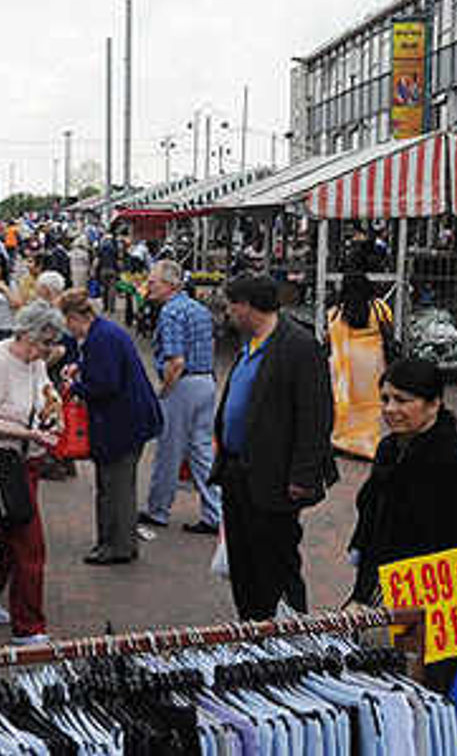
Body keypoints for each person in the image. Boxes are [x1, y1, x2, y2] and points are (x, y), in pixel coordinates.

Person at [346, 358, 457, 692]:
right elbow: (373, 529)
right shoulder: (389, 449)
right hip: (384, 592)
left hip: (430, 605)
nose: (390, 409)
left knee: (419, 698)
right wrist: (361, 593)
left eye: (402, 400)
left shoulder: (451, 462)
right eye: (385, 399)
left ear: (434, 403)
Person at [212, 273, 338, 621]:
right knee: (243, 559)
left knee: (276, 561)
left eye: (231, 306)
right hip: (238, 471)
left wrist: (303, 475)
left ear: (248, 307)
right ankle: (250, 623)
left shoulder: (298, 347)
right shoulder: (250, 344)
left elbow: (316, 416)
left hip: (274, 476)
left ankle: (286, 629)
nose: (228, 314)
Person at [0, 303, 64, 645]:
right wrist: (28, 433)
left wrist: (52, 416)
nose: (47, 352)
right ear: (25, 334)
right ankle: (29, 626)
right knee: (30, 547)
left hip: (29, 463)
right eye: (43, 343)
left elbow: (44, 395)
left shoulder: (35, 361)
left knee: (8, 538)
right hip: (4, 464)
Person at [59, 289, 163, 565]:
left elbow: (104, 384)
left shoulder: (100, 338)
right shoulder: (104, 332)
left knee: (114, 485)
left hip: (121, 423)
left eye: (66, 321)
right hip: (130, 420)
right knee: (119, 485)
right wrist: (80, 368)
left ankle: (115, 546)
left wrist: (75, 385)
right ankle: (122, 542)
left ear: (74, 317)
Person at [141, 260, 223, 535]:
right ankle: (216, 511)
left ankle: (158, 509)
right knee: (202, 450)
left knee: (169, 449)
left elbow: (175, 361)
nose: (148, 286)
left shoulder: (171, 312)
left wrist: (164, 389)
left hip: (183, 385)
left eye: (153, 282)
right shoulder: (197, 308)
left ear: (169, 285)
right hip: (206, 381)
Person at [328, 272, 392, 459]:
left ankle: (344, 442)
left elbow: (330, 337)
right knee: (372, 405)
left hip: (345, 365)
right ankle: (369, 445)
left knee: (346, 402)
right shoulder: (379, 307)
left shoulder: (336, 312)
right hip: (373, 364)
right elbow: (389, 327)